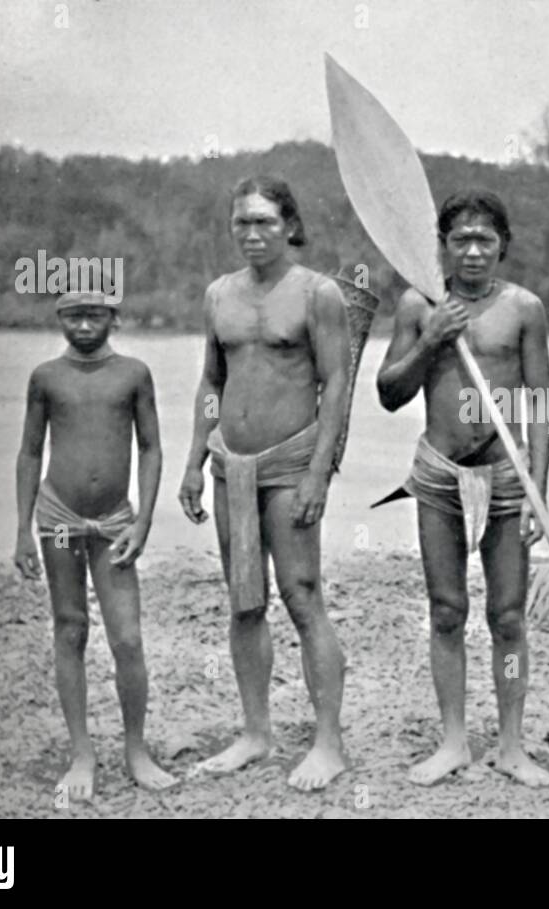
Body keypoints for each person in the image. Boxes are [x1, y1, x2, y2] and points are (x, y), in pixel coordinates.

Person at [178, 175, 352, 791]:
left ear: (289, 226)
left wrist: (318, 474)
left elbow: (335, 384)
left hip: (291, 459)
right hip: (232, 462)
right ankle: (255, 732)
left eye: (264, 223)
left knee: (302, 596)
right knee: (244, 600)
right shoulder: (218, 295)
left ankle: (327, 742)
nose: (252, 234)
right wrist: (196, 458)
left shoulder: (318, 293)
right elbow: (210, 382)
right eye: (242, 223)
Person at [375, 189, 549, 787]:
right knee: (447, 610)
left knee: (507, 616)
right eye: (460, 240)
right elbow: (389, 391)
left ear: (503, 245)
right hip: (439, 474)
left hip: (506, 474)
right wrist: (431, 339)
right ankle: (453, 740)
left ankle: (510, 743)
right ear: (443, 248)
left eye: (485, 240)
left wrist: (538, 491)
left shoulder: (524, 308)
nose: (473, 252)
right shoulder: (418, 304)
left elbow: (539, 407)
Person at [14, 290, 175, 800]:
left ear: (115, 319)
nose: (84, 326)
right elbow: (30, 451)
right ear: (60, 320)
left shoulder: (133, 374)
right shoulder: (45, 377)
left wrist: (143, 521)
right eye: (73, 316)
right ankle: (81, 752)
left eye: (95, 315)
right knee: (70, 628)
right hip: (58, 516)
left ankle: (136, 749)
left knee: (127, 637)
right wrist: (22, 529)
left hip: (113, 519)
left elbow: (150, 448)